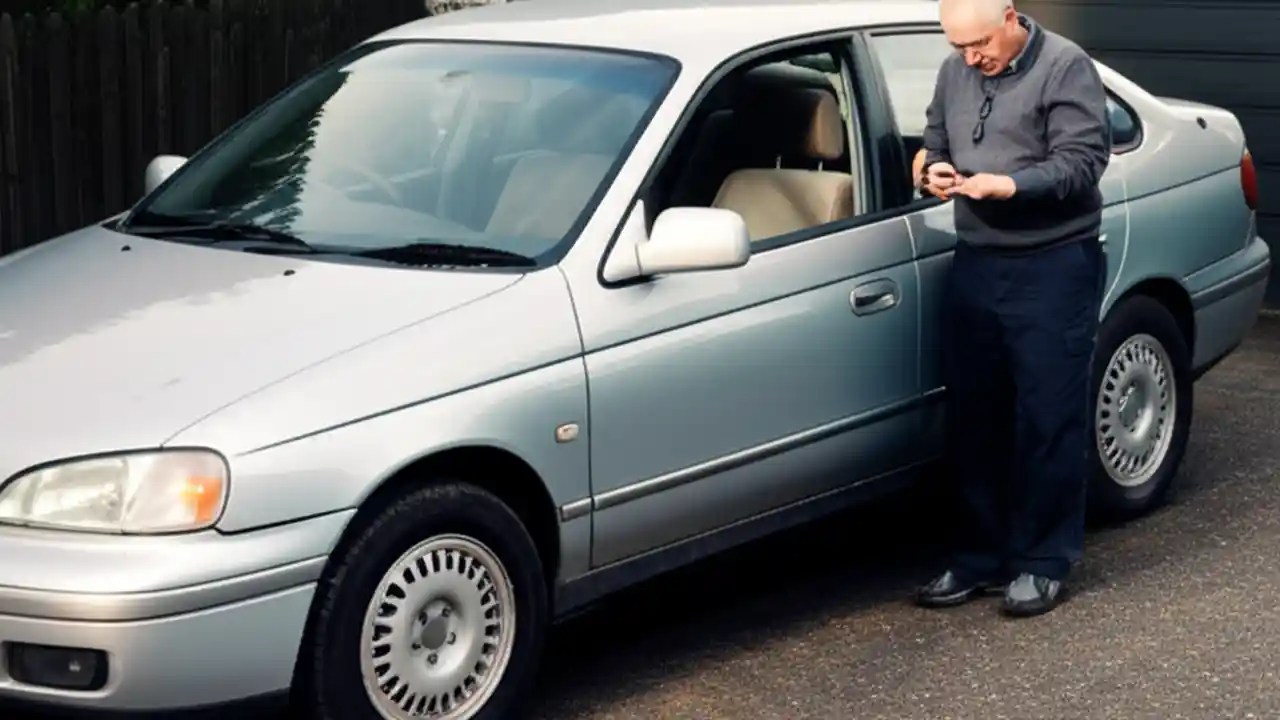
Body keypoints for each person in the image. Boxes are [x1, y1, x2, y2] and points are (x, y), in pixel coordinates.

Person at [913, 0, 1111, 617]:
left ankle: (1042, 561)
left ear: (1010, 15)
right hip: (977, 260)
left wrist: (1012, 186)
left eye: (978, 45)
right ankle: (979, 558)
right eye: (958, 48)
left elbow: (1083, 162)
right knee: (976, 415)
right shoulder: (957, 69)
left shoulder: (1064, 66)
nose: (971, 58)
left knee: (1046, 416)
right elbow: (934, 135)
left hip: (1052, 263)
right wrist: (933, 169)